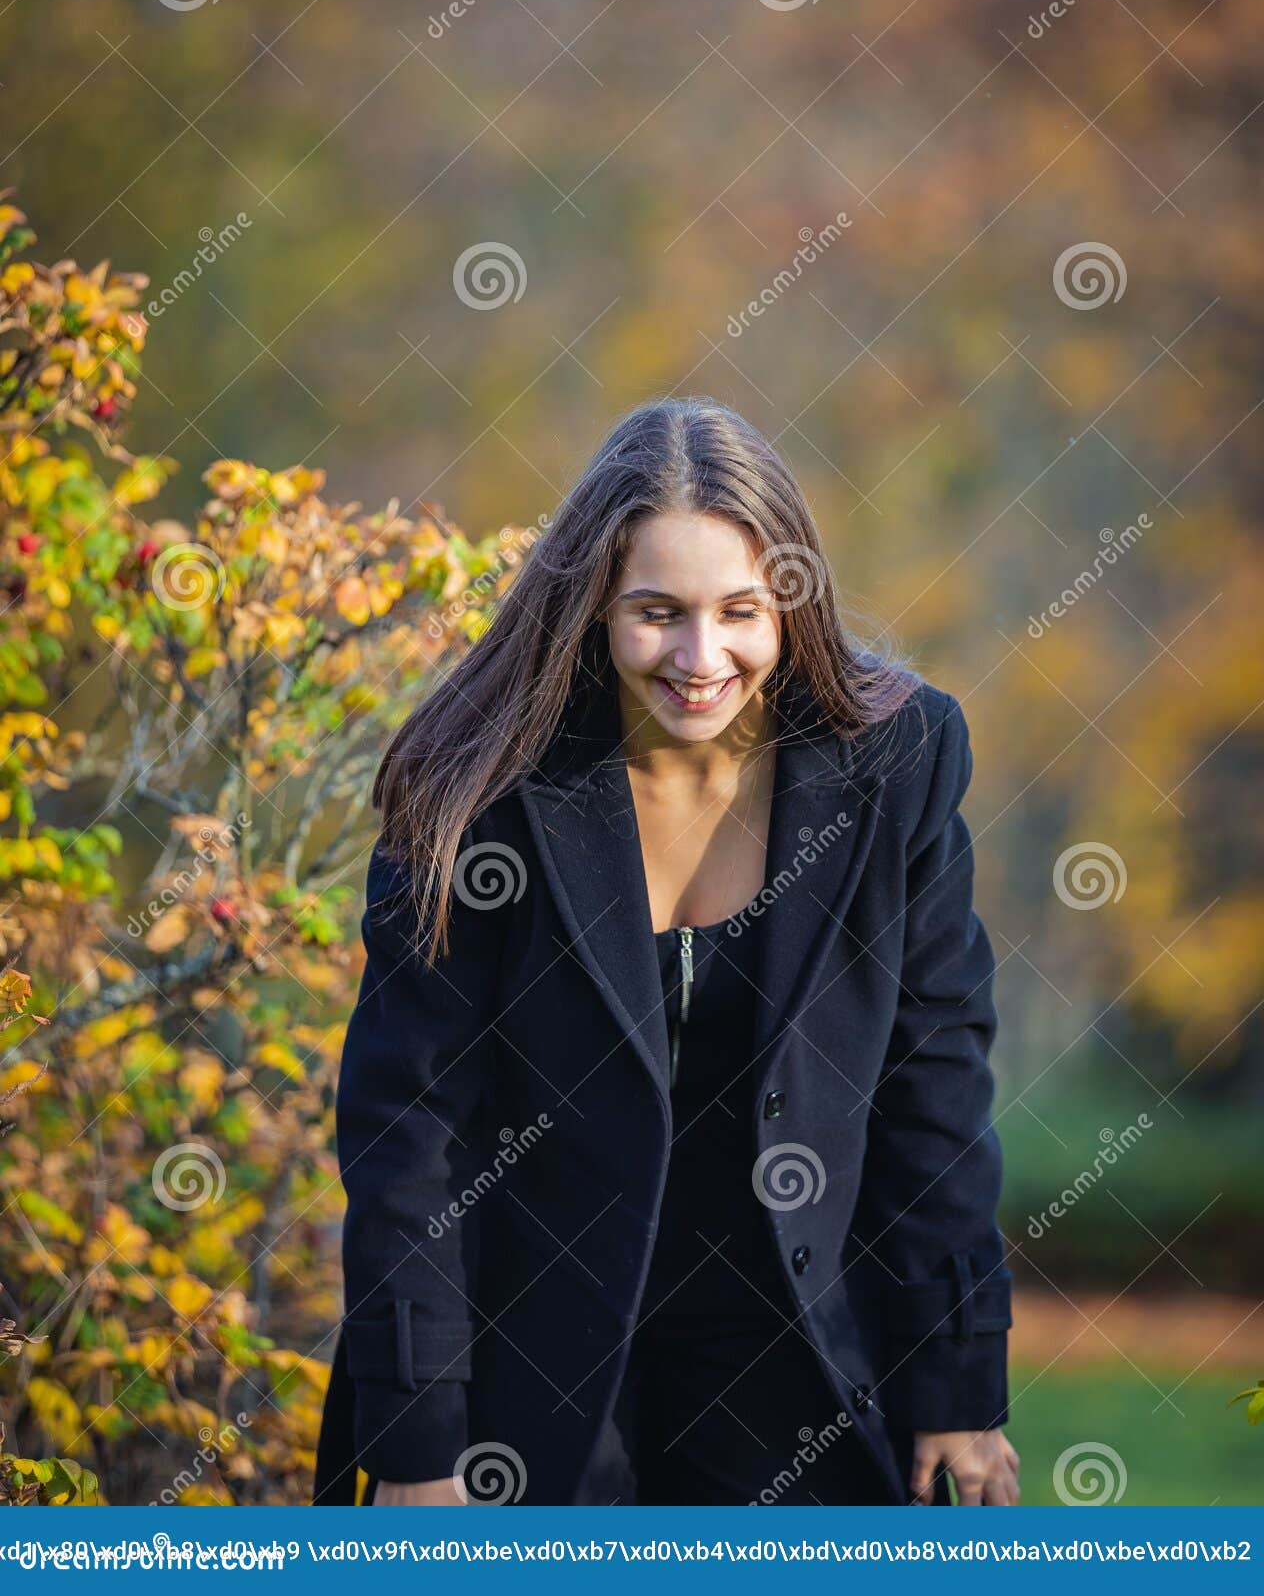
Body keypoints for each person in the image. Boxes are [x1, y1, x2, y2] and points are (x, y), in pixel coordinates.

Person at [313, 395, 1020, 1507]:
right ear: (592, 607)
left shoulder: (898, 762)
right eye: (657, 612)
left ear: (790, 604)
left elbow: (932, 1084)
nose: (702, 657)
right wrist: (415, 1441)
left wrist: (959, 1379)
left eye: (739, 610)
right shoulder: (476, 786)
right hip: (520, 1372)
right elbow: (411, 1136)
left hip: (796, 1352)